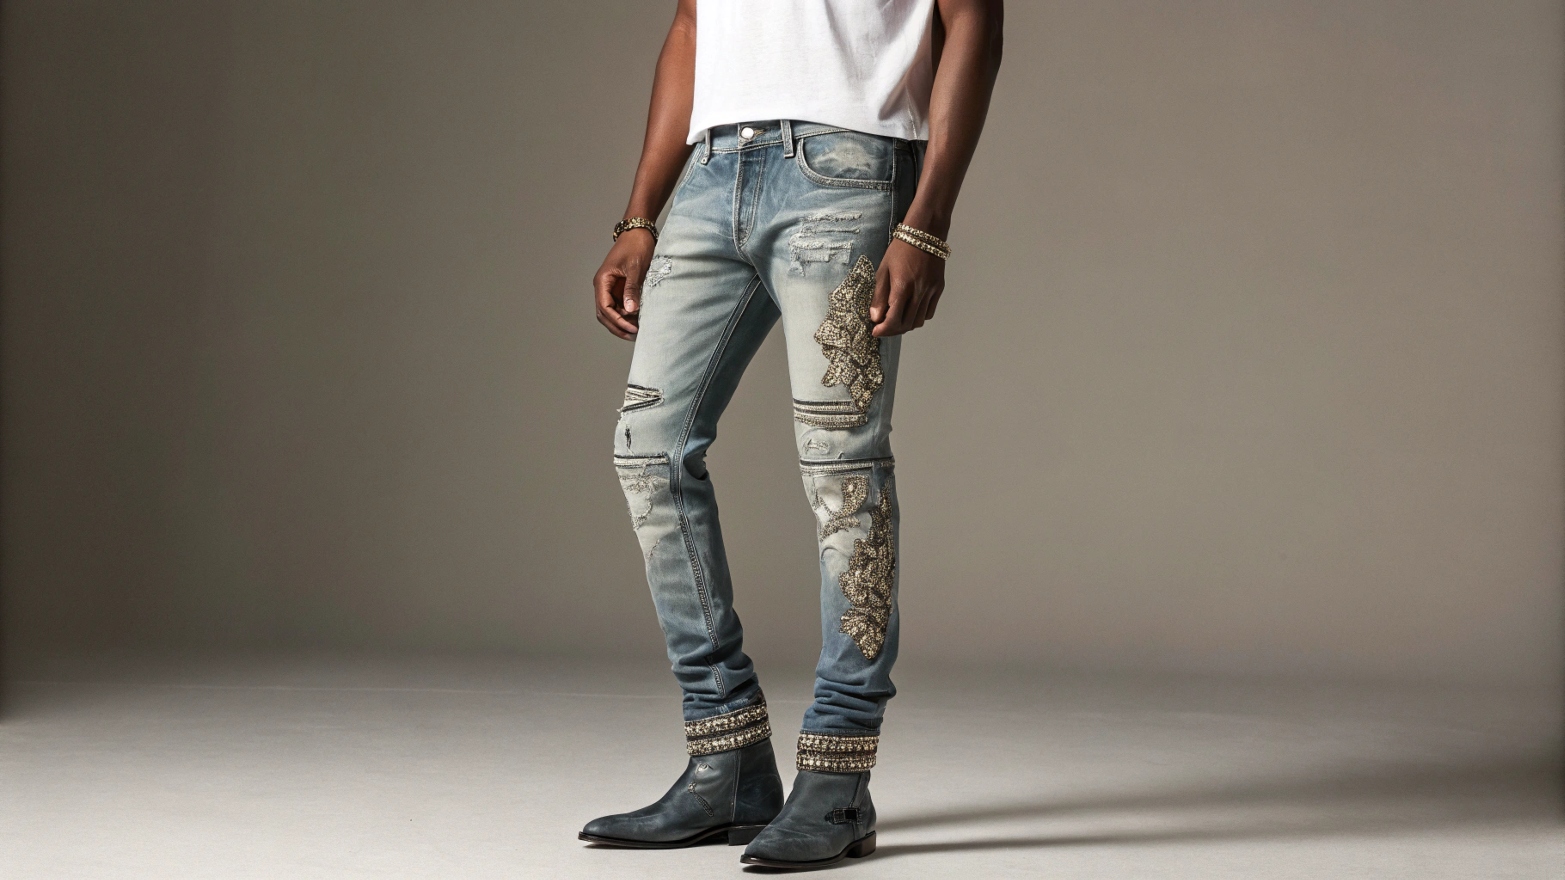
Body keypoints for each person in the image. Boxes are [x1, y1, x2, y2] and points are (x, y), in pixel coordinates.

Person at [580, 0, 1002, 869]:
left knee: (840, 470)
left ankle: (838, 776)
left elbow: (973, 19)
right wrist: (638, 215)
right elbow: (692, 26)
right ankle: (725, 754)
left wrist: (928, 218)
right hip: (710, 171)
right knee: (647, 452)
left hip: (848, 165)